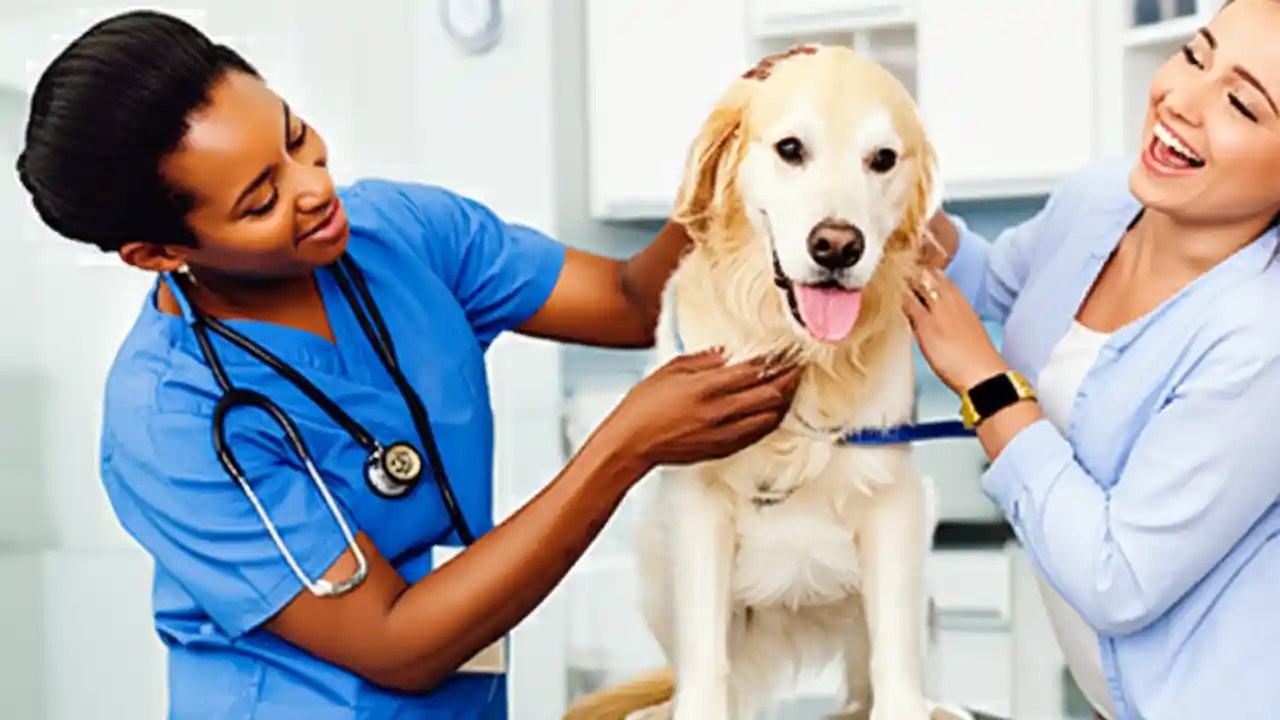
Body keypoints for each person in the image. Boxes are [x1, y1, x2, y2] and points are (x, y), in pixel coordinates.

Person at [15, 10, 802, 719]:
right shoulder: (174, 420)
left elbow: (634, 299)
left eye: (294, 137)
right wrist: (621, 448)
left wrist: (730, 158)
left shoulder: (400, 232)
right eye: (260, 202)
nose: (315, 187)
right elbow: (399, 645)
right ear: (159, 253)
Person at [903, 0, 1280, 718]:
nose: (1182, 99)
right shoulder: (1101, 196)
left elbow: (1120, 578)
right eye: (1196, 55)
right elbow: (993, 280)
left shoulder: (1261, 338)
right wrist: (890, 199)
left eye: (1240, 103)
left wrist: (987, 388)